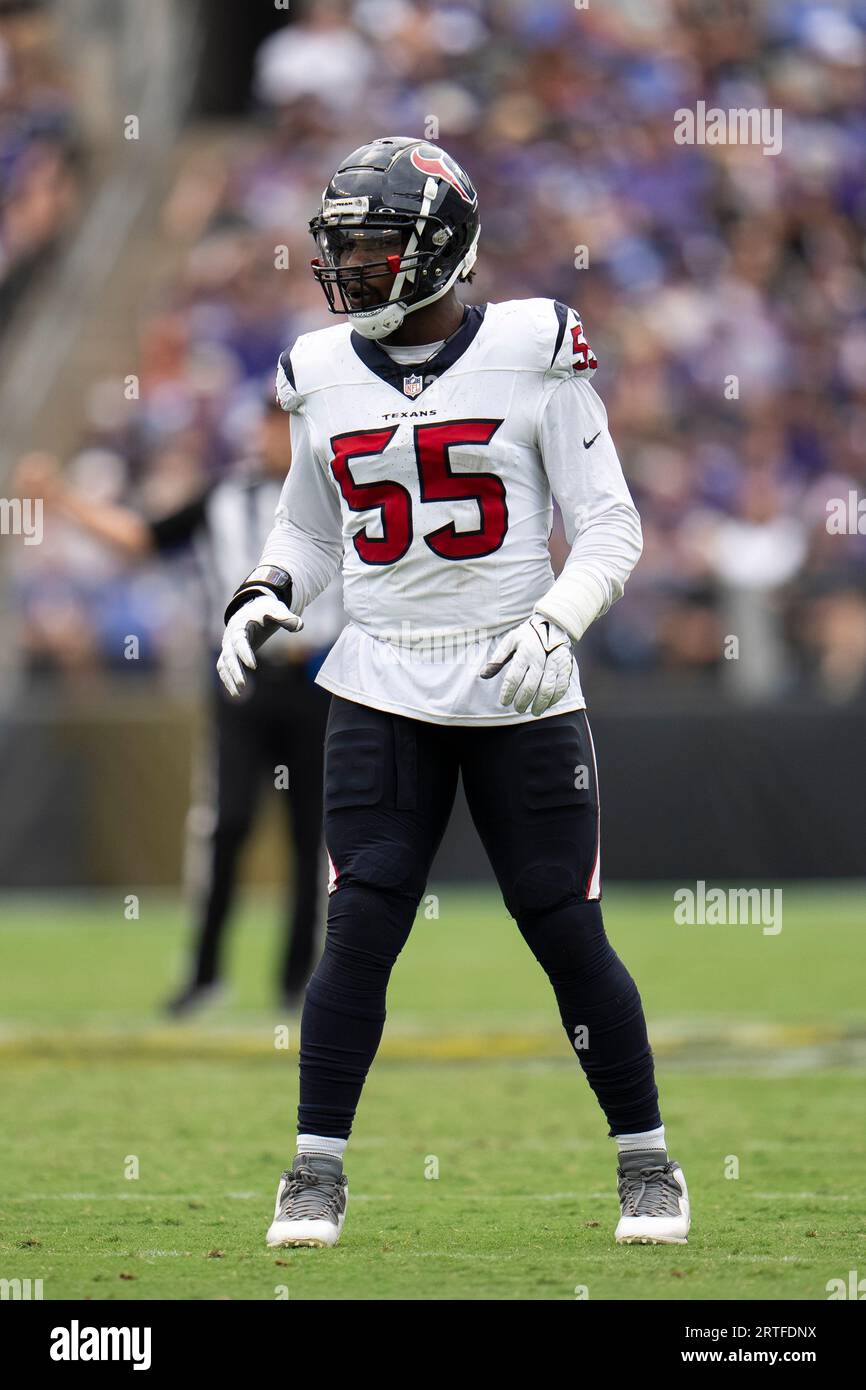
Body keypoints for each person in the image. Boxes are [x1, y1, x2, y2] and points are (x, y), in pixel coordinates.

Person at [218, 137, 690, 1247]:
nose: (353, 270)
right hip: (379, 676)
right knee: (359, 926)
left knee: (562, 924)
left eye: (377, 247)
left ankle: (647, 1163)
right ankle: (313, 1174)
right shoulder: (317, 369)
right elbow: (309, 527)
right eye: (343, 249)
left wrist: (555, 622)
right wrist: (265, 589)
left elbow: (609, 524)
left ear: (441, 248)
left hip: (517, 673)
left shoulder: (534, 346)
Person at [17, 397, 342, 1013]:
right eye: (271, 427)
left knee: (311, 834)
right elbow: (142, 538)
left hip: (316, 677)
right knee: (228, 823)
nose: (277, 439)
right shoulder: (224, 496)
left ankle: (297, 982)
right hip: (243, 677)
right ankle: (206, 974)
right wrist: (60, 499)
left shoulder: (335, 491)